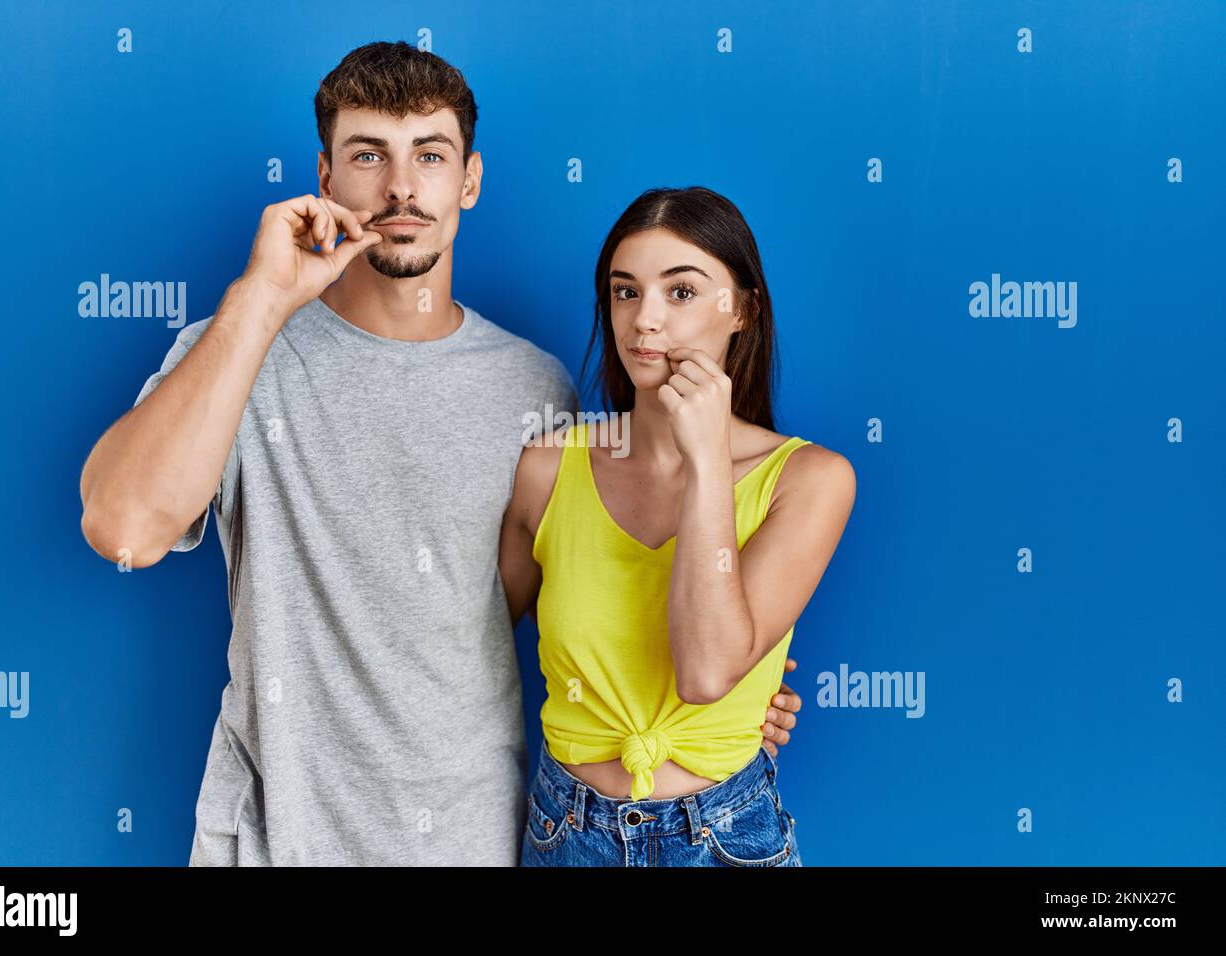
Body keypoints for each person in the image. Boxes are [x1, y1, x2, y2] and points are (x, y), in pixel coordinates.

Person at [77, 43, 800, 866]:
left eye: (429, 155)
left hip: (474, 839)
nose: (400, 188)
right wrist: (259, 300)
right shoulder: (235, 350)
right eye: (367, 155)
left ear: (469, 181)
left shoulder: (537, 389)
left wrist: (742, 685)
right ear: (324, 176)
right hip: (274, 840)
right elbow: (122, 528)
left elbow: (589, 605)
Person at [499, 186, 855, 866]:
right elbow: (465, 656)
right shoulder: (550, 466)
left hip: (723, 837)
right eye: (625, 291)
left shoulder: (812, 481)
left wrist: (705, 462)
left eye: (682, 292)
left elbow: (705, 671)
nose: (644, 321)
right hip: (564, 832)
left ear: (742, 309)